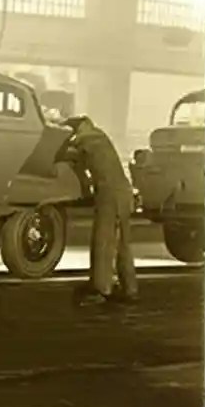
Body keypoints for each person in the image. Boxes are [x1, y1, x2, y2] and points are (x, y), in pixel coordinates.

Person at [62, 115, 138, 306]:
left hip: (110, 193)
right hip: (123, 192)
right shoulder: (100, 136)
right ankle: (130, 289)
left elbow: (69, 154)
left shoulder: (87, 139)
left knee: (103, 241)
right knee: (122, 244)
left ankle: (102, 289)